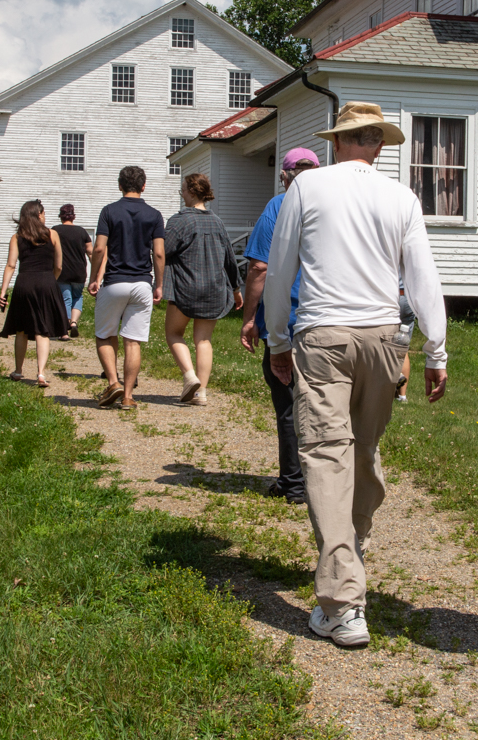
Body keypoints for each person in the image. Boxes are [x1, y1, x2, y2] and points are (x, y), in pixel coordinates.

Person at [265, 102, 449, 649]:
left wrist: (277, 337)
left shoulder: (307, 188)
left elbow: (282, 268)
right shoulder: (401, 196)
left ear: (340, 141)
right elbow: (422, 276)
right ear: (378, 143)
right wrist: (435, 350)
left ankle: (343, 602)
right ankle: (351, 544)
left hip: (322, 335)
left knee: (326, 453)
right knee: (361, 450)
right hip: (381, 338)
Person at [240, 147, 319, 504]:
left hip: (285, 320)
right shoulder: (331, 204)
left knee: (288, 404)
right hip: (327, 320)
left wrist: (250, 319)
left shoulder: (278, 206)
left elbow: (258, 269)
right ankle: (327, 480)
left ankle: (294, 483)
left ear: (284, 177)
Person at [88, 165, 165, 409]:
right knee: (133, 341)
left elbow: (99, 248)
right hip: (142, 283)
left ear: (120, 185)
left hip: (114, 282)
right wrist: (159, 285)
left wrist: (93, 278)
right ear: (144, 186)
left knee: (105, 334)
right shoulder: (154, 215)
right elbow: (160, 253)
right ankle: (129, 396)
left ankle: (113, 382)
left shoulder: (109, 211)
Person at [164, 173, 243, 406]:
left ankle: (189, 377)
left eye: (183, 190)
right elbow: (230, 259)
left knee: (173, 333)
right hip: (214, 289)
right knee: (204, 340)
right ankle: (201, 394)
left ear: (190, 191)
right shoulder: (217, 222)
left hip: (185, 289)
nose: (182, 194)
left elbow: (163, 250)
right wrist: (237, 289)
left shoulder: (179, 221)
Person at [0, 199, 69, 387]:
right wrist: (50, 279)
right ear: (38, 215)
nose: (45, 216)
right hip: (46, 281)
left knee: (21, 329)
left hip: (24, 283)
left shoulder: (17, 237)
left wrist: (3, 291)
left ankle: (19, 371)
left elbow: (11, 265)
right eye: (43, 213)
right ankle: (41, 374)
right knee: (42, 330)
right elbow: (59, 265)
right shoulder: (52, 234)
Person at [52, 204, 92, 338]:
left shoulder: (55, 231)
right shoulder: (82, 232)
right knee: (77, 296)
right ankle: (73, 322)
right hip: (79, 272)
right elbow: (91, 253)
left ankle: (65, 329)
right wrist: (98, 271)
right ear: (73, 216)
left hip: (62, 271)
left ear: (61, 216)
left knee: (65, 298)